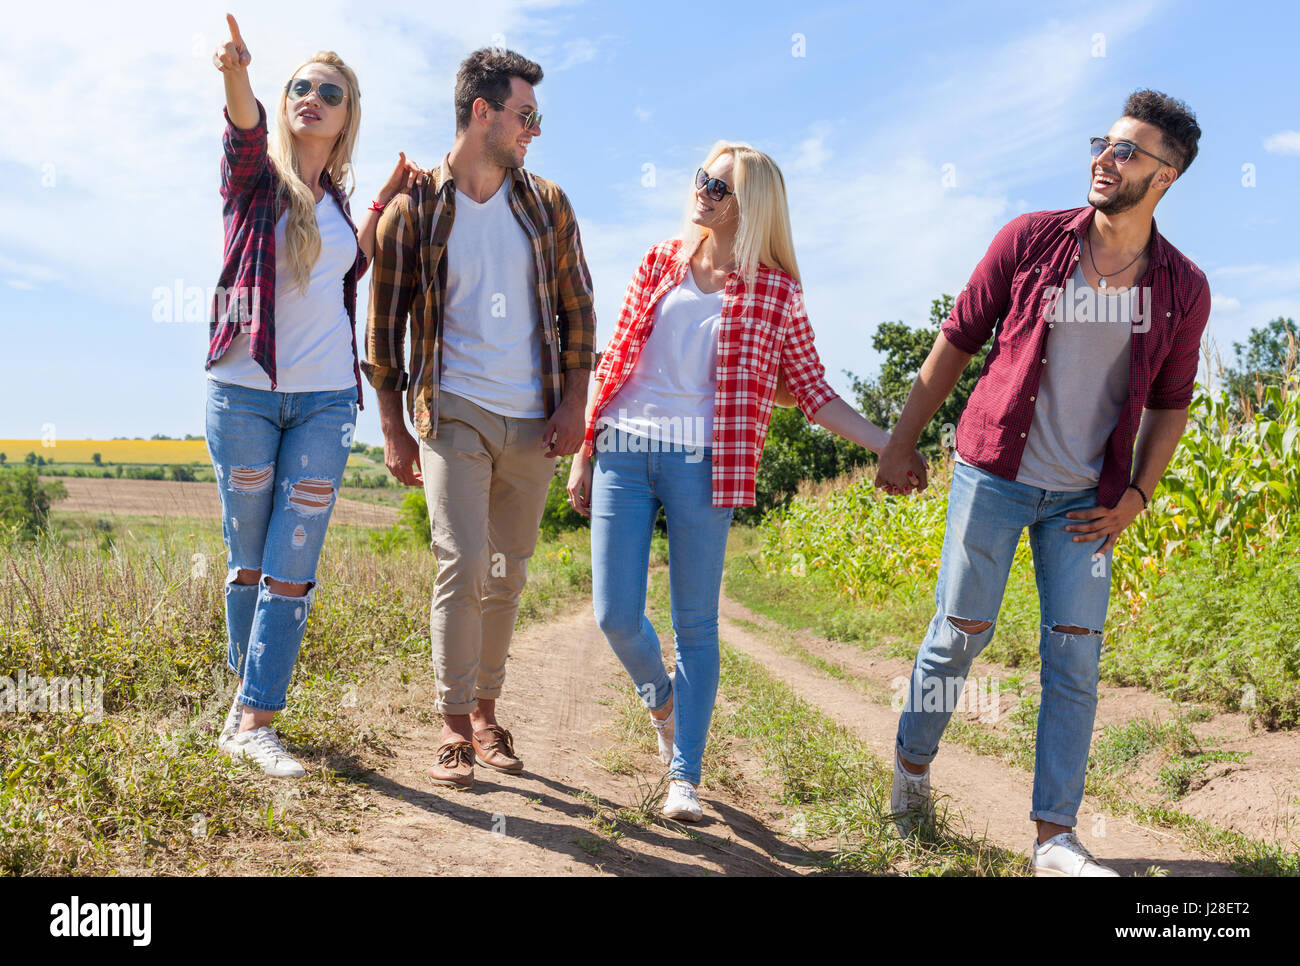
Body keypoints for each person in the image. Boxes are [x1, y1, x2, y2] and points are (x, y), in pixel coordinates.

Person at [876, 90, 1210, 875]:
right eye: (1104, 141)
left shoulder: (1182, 287)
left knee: (1075, 658)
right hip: (993, 471)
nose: (1104, 157)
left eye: (1127, 151)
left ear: (1167, 176)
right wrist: (899, 445)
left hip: (1086, 503)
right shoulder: (1029, 241)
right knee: (958, 634)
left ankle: (1054, 836)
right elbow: (954, 343)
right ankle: (910, 774)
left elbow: (1170, 404)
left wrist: (1135, 499)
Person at [567, 143, 922, 822]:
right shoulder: (657, 261)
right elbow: (612, 361)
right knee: (614, 613)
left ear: (750, 206)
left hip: (707, 462)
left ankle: (684, 779)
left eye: (720, 188)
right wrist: (587, 445)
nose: (704, 192)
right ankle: (663, 701)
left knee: (695, 625)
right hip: (623, 446)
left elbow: (815, 393)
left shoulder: (776, 292)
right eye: (703, 179)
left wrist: (890, 445)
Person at [364, 48, 596, 790]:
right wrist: (395, 426)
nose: (534, 130)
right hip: (452, 407)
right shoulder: (416, 209)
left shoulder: (547, 204)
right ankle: (453, 726)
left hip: (532, 417)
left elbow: (579, 311)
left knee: (506, 572)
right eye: (526, 116)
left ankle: (489, 713)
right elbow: (384, 326)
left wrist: (572, 403)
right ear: (481, 112)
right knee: (462, 562)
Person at [207, 14, 423, 777]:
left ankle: (256, 717)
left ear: (346, 114)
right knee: (248, 560)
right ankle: (243, 692)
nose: (313, 97)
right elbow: (243, 129)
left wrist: (385, 200)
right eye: (300, 86)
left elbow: (343, 266)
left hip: (328, 400)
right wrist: (236, 72)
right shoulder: (255, 178)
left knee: (292, 559)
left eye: (329, 91)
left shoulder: (333, 202)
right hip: (244, 393)